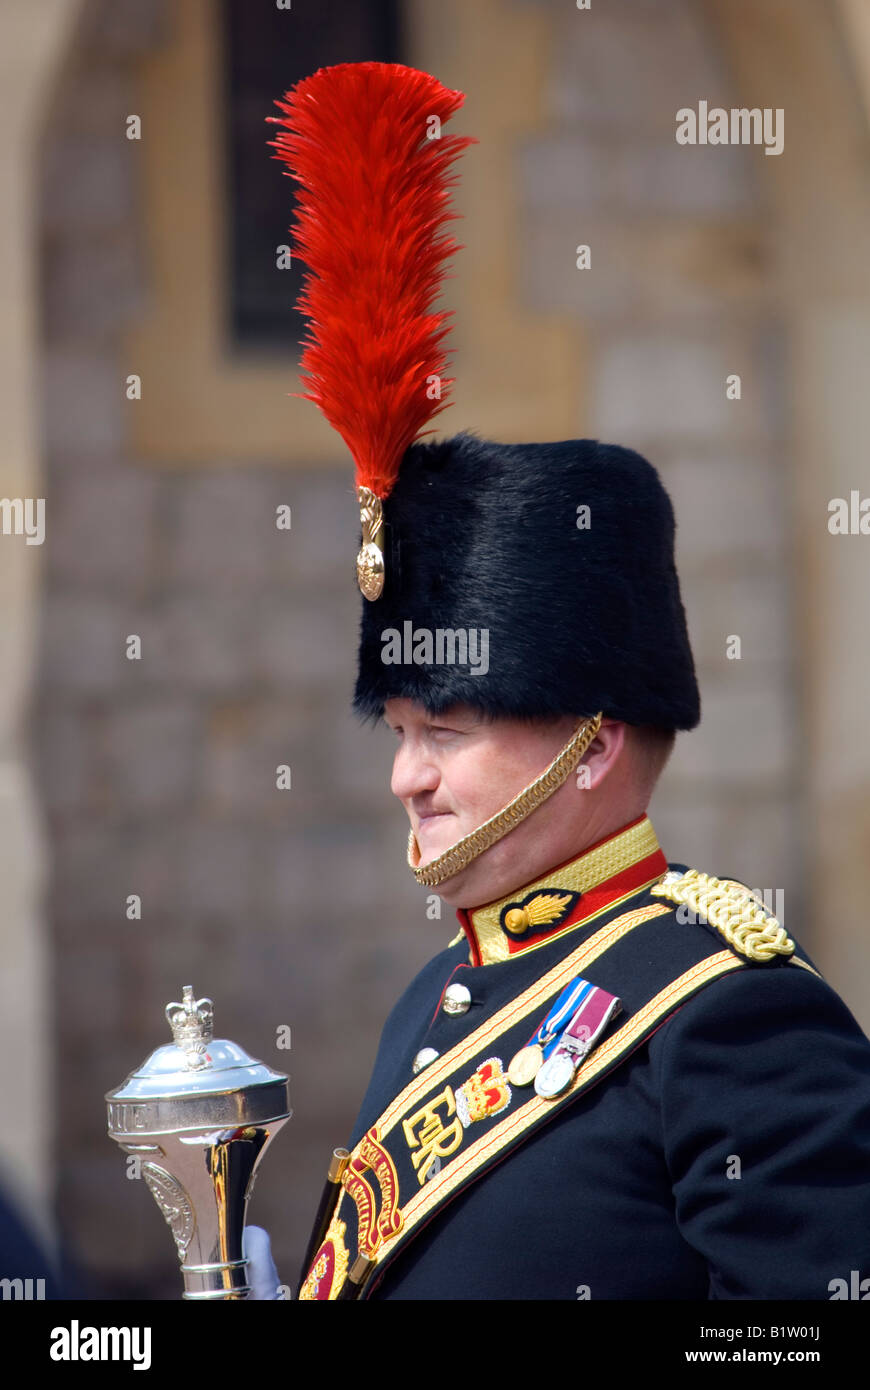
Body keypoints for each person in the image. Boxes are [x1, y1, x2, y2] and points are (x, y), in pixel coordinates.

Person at [249, 62, 870, 1301]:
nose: (403, 775)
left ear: (592, 745)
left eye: (447, 730)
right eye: (402, 726)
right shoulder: (441, 991)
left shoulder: (734, 1017)